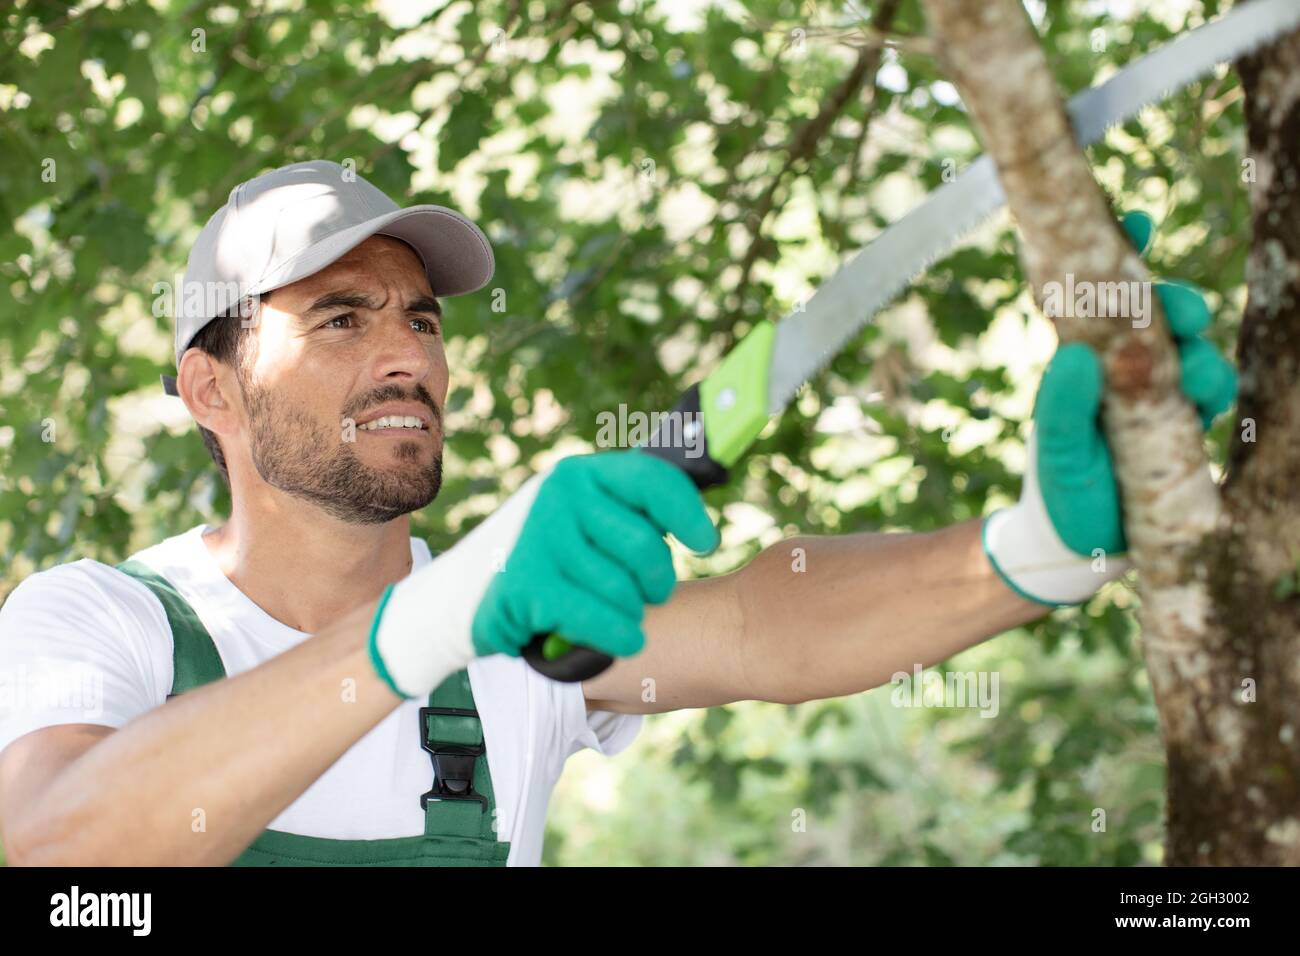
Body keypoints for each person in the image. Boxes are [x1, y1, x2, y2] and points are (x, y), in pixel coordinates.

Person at [0, 161, 1236, 866]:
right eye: (340, 317)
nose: (405, 356)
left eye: (420, 319)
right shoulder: (104, 623)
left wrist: (1038, 545)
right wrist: (421, 625)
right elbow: (58, 856)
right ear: (208, 387)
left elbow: (763, 626)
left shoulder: (512, 633)